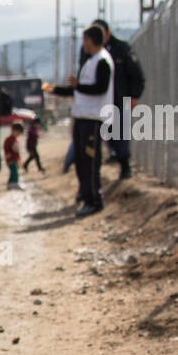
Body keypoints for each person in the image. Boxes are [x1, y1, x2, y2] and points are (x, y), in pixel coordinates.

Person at [52, 25, 114, 217]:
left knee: (90, 161)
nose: (83, 43)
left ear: (91, 40)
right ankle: (86, 196)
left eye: (84, 39)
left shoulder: (103, 61)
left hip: (94, 119)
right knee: (81, 161)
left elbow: (100, 88)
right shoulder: (90, 61)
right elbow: (79, 90)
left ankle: (95, 201)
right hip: (83, 117)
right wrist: (55, 90)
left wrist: (78, 86)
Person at [91, 18, 145, 179]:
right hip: (100, 100)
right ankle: (114, 153)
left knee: (121, 132)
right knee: (107, 132)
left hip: (120, 98)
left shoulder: (121, 49)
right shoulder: (91, 52)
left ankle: (125, 165)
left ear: (108, 33)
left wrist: (135, 95)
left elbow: (136, 74)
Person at [4, 121, 24, 190]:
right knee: (14, 172)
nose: (18, 134)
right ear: (14, 130)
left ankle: (10, 184)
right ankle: (14, 183)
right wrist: (8, 155)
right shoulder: (9, 139)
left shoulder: (16, 139)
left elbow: (17, 150)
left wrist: (19, 159)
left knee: (13, 171)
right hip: (10, 158)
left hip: (15, 158)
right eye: (18, 132)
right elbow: (6, 148)